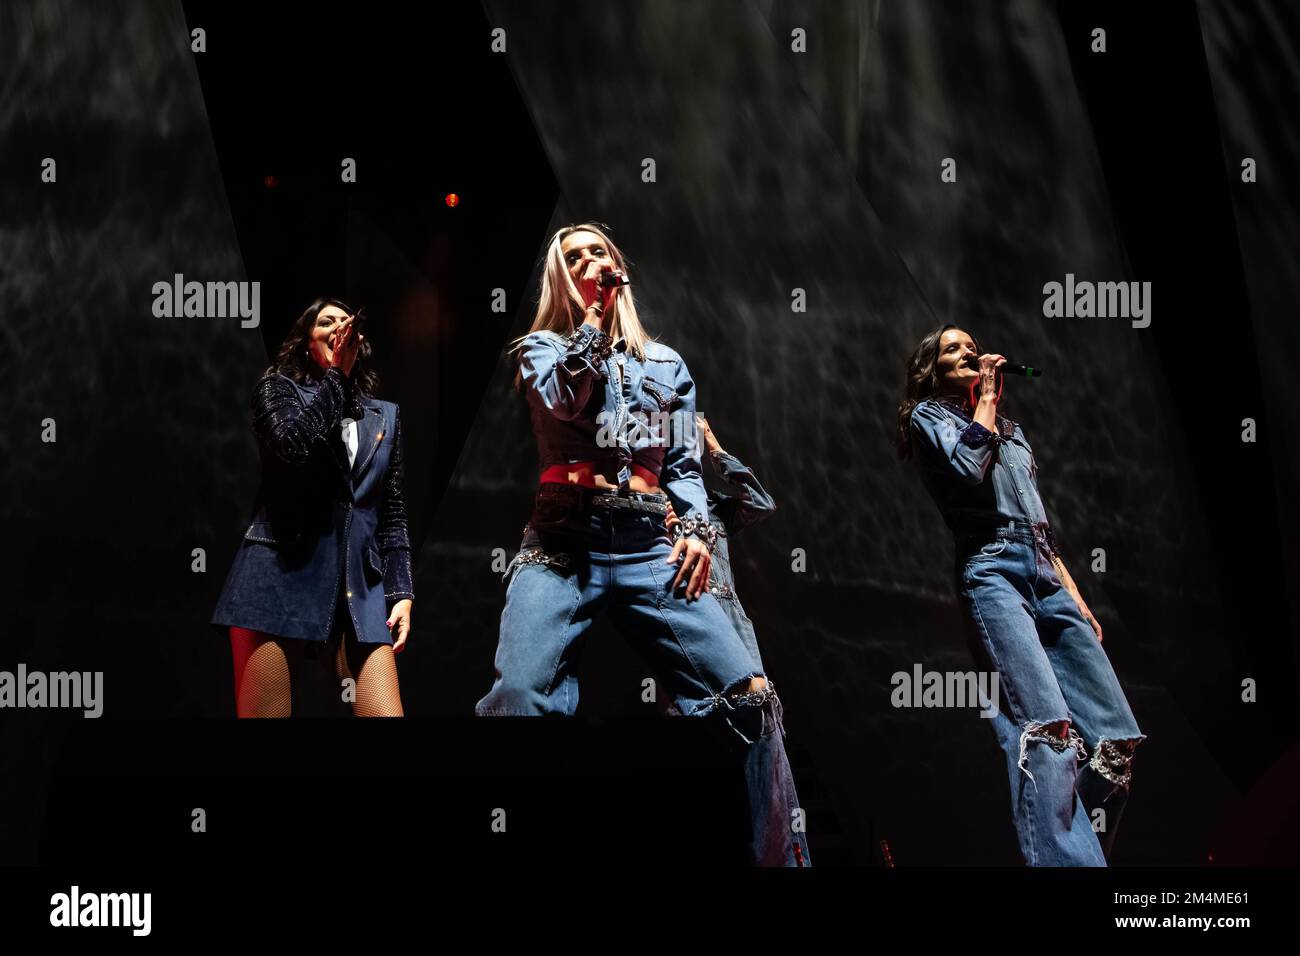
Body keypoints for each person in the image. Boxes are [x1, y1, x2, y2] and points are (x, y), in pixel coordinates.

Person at [475, 223, 810, 866]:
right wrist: (593, 325)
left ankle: (784, 862)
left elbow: (683, 467)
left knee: (753, 700)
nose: (588, 264)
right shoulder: (542, 349)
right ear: (561, 279)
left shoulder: (666, 365)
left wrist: (696, 533)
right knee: (517, 700)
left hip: (648, 545)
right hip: (560, 544)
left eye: (598, 252)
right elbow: (568, 400)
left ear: (619, 266)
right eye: (573, 259)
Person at [898, 324, 1144, 865]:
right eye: (953, 349)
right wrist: (984, 400)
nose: (969, 352)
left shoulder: (1013, 430)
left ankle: (1072, 853)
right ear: (932, 369)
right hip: (992, 568)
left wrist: (1072, 592)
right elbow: (966, 466)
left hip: (1043, 568)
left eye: (971, 345)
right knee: (1048, 734)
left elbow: (1039, 519)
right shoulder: (930, 418)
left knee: (1115, 743)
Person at [211, 298, 414, 717]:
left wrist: (401, 591)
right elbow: (293, 446)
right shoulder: (277, 390)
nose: (339, 326)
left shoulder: (384, 417)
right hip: (277, 574)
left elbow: (390, 512)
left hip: (356, 583)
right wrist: (337, 376)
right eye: (326, 321)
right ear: (307, 342)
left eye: (346, 321)